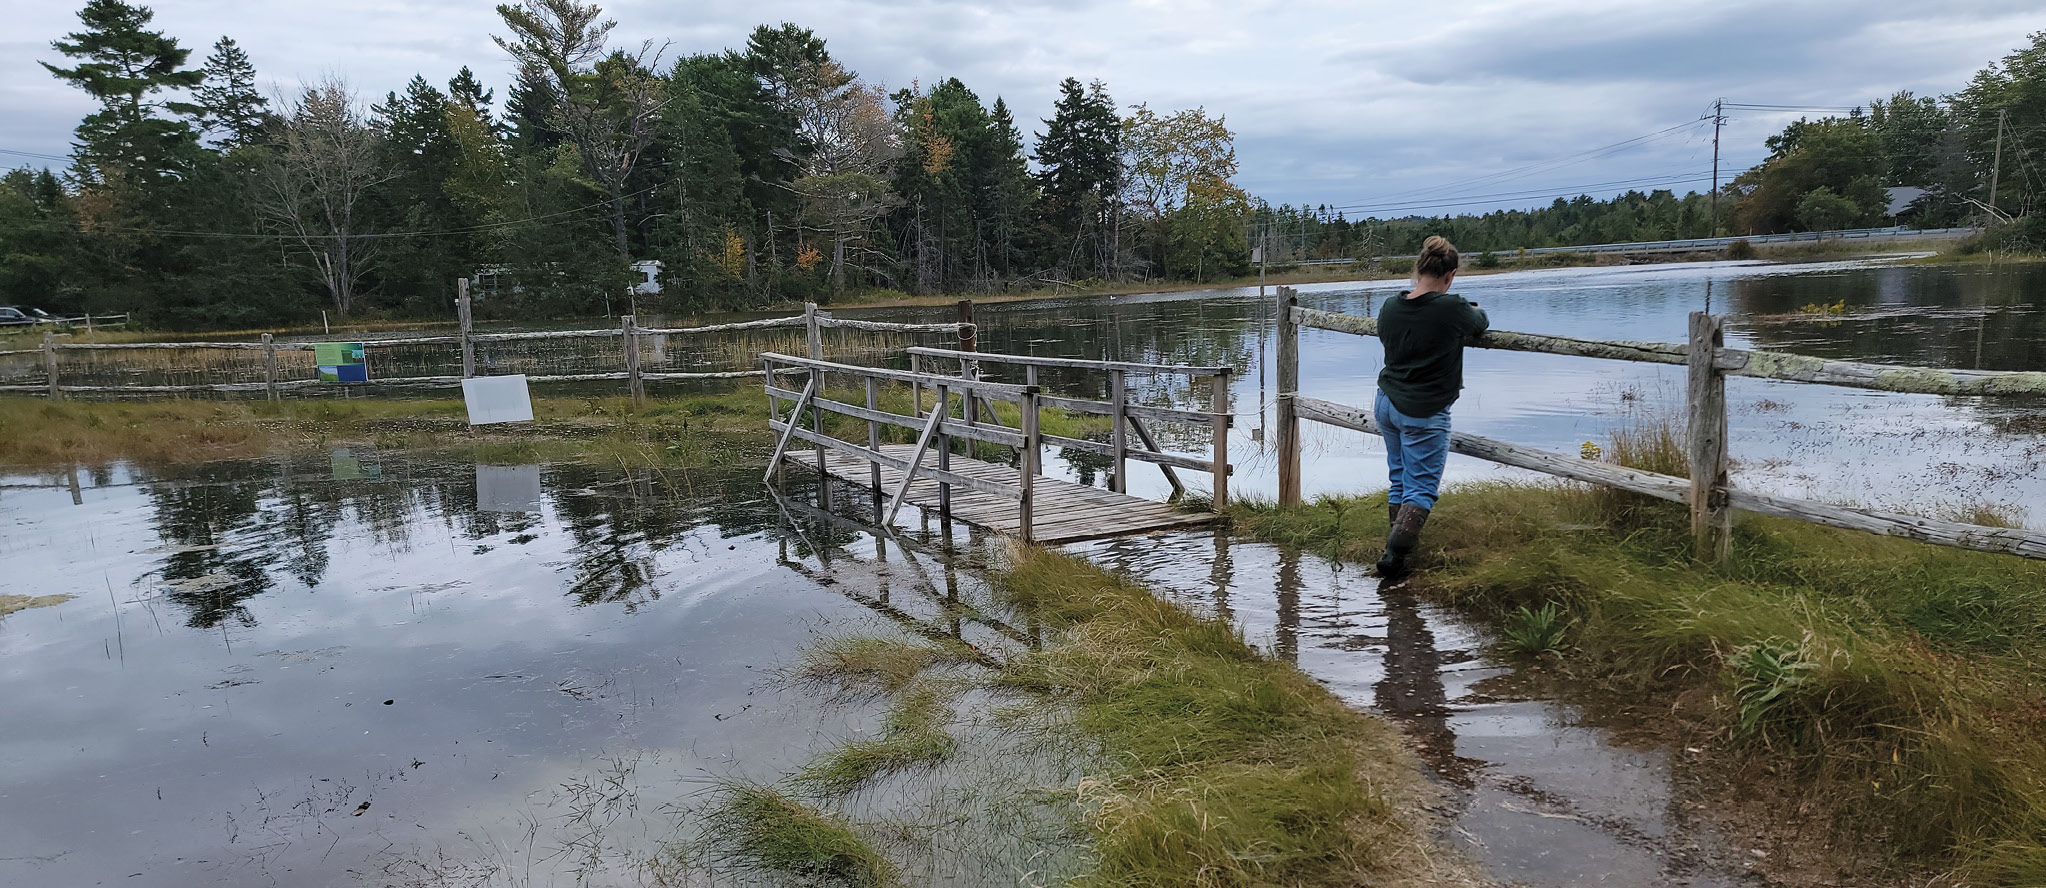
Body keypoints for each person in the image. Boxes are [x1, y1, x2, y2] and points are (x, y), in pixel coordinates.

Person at [1374, 235, 1487, 579]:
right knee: (1421, 487)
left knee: (1400, 478)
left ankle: (1398, 544)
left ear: (1418, 269)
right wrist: (1472, 308)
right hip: (1423, 409)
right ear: (1449, 276)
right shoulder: (1451, 308)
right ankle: (1393, 559)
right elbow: (1479, 323)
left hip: (1387, 402)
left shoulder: (1391, 306)